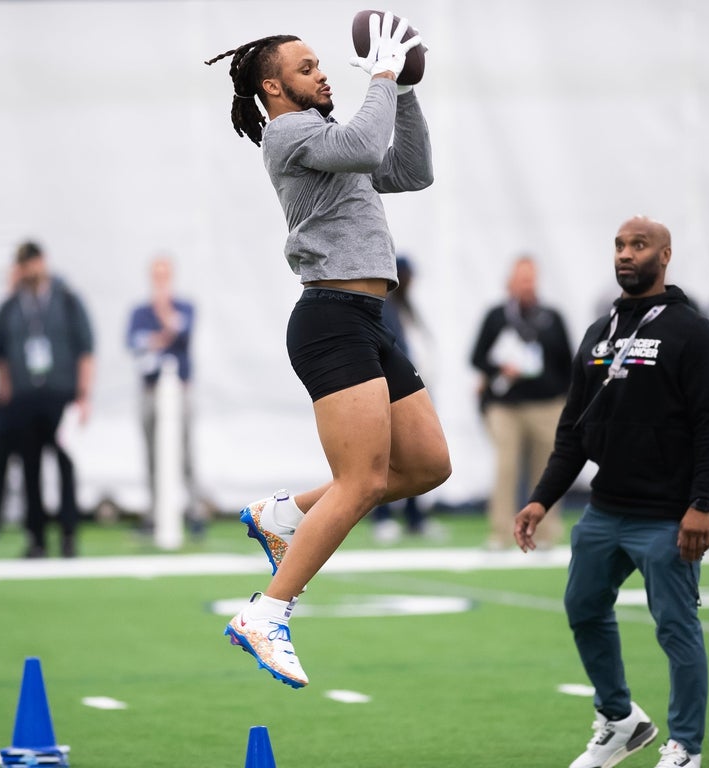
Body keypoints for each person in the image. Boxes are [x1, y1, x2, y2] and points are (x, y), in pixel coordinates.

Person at [204, 13, 451, 688]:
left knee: (427, 465)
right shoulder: (288, 133)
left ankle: (281, 514)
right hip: (330, 320)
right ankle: (267, 613)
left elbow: (410, 167)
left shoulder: (331, 139)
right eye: (307, 67)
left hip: (369, 318)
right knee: (364, 481)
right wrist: (381, 74)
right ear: (274, 89)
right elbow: (369, 145)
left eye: (321, 64)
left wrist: (403, 92)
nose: (321, 74)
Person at [515, 217, 709, 768]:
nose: (626, 255)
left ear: (665, 256)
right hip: (606, 511)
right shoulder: (599, 332)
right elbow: (573, 432)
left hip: (668, 517)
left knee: (677, 629)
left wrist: (701, 504)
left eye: (639, 246)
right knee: (582, 607)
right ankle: (620, 721)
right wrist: (542, 498)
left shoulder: (693, 332)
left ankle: (685, 747)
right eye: (619, 246)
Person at [0, 241, 95, 558]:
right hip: (25, 397)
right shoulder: (11, 305)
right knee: (30, 469)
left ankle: (68, 534)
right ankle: (36, 537)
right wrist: (5, 386)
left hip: (61, 394)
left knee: (65, 466)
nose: (30, 269)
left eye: (33, 262)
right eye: (24, 264)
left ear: (43, 262)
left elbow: (86, 349)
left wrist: (84, 395)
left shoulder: (66, 300)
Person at [470, 256, 573, 550]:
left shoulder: (552, 317)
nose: (526, 285)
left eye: (530, 279)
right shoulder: (497, 317)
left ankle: (546, 532)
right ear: (510, 283)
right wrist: (500, 369)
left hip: (545, 405)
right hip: (506, 406)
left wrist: (563, 399)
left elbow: (567, 362)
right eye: (521, 279)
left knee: (548, 470)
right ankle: (500, 532)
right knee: (506, 466)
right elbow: (476, 357)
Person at [369, 254, 445, 544]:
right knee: (388, 456)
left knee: (417, 455)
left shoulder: (407, 309)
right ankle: (384, 516)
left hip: (416, 389)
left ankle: (415, 517)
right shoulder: (386, 307)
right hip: (395, 391)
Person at [126, 255, 202, 535]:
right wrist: (163, 334)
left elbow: (182, 334)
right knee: (151, 453)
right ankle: (155, 510)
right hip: (149, 391)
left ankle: (193, 509)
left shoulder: (184, 307)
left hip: (178, 392)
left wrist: (163, 320)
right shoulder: (139, 312)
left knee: (185, 453)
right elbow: (135, 343)